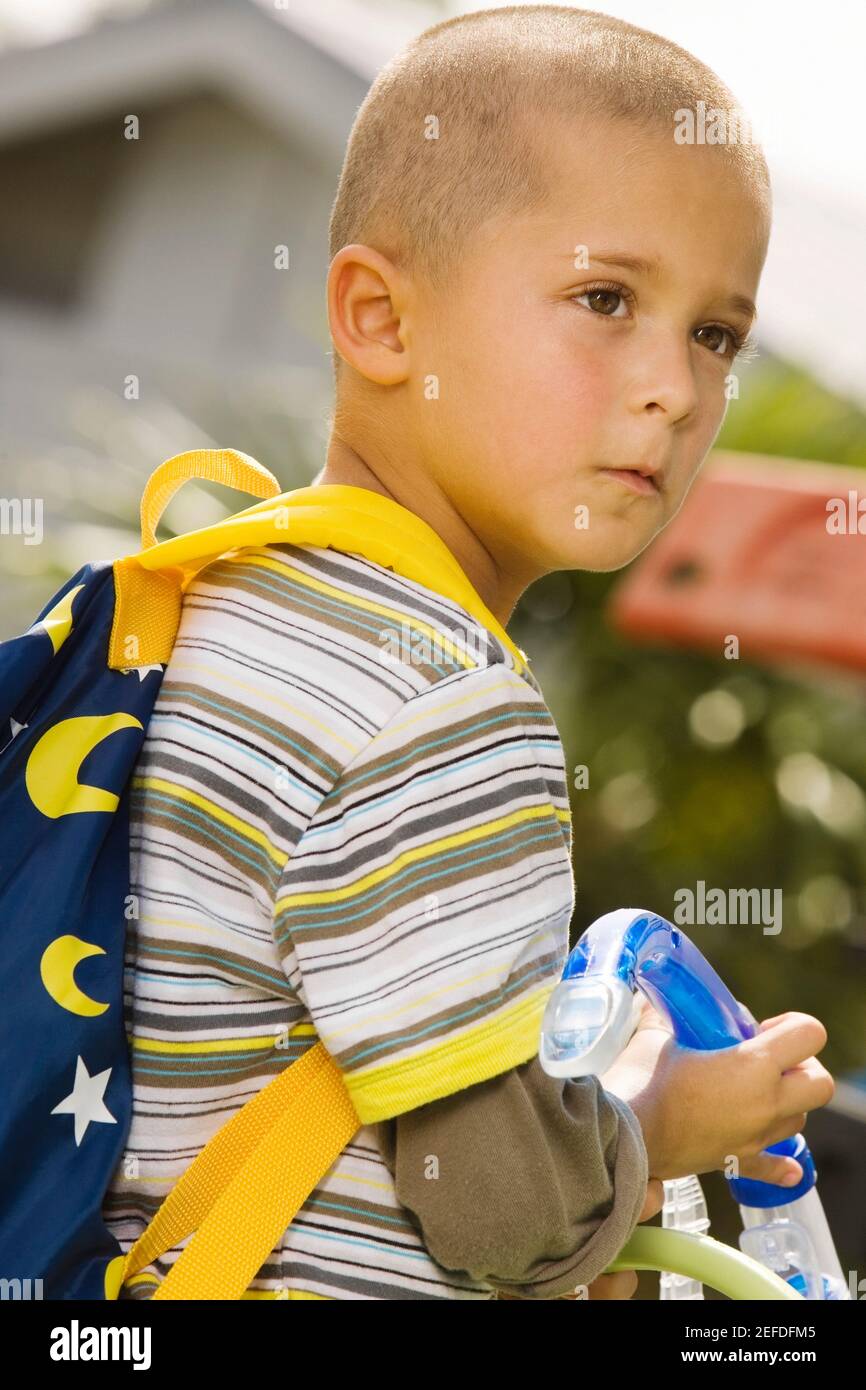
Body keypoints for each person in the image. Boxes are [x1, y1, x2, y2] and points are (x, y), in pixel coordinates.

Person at [104, 5, 834, 1299]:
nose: (674, 384)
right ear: (381, 320)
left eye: (714, 334)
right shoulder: (441, 698)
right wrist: (666, 1120)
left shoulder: (209, 604)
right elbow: (497, 1212)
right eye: (603, 298)